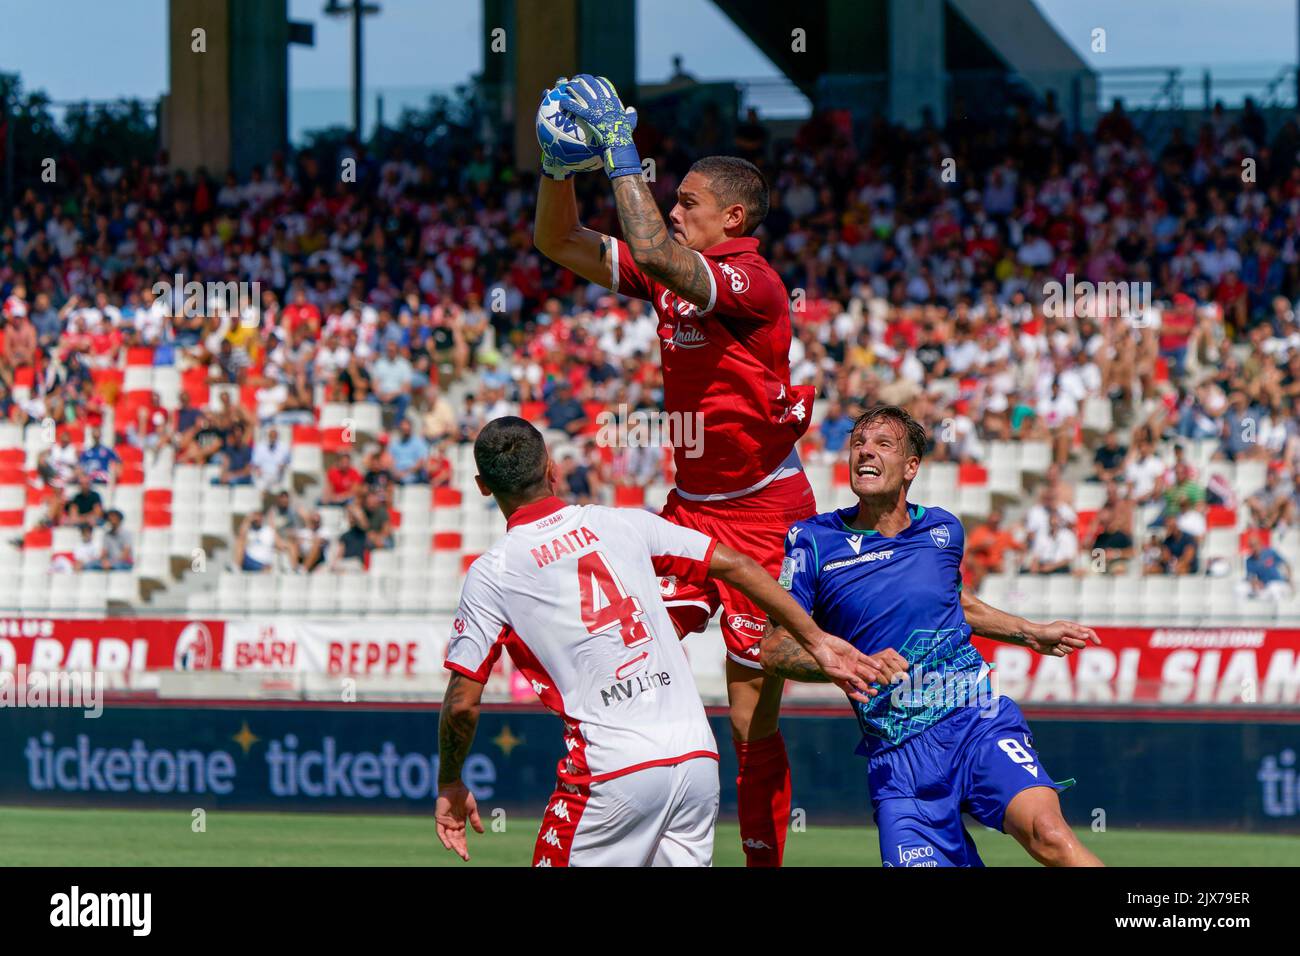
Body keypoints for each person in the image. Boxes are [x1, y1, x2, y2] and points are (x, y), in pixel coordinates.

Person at [535, 75, 818, 865]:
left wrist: (622, 153)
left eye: (687, 199)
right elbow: (558, 243)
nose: (673, 207)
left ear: (731, 217)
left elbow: (654, 245)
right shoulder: (671, 273)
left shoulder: (751, 282)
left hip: (767, 513)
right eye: (672, 196)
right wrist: (559, 171)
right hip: (690, 510)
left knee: (749, 720)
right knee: (624, 659)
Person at [435, 417, 900, 866]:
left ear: (482, 486)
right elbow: (737, 565)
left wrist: (450, 781)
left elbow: (461, 705)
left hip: (611, 769)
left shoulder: (490, 573)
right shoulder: (622, 523)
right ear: (552, 469)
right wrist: (816, 639)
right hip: (696, 761)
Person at [760, 405, 1103, 867]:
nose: (865, 451)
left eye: (883, 444)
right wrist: (850, 663)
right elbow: (774, 647)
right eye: (859, 443)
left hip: (976, 719)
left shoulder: (943, 529)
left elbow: (955, 602)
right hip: (898, 756)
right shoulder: (813, 540)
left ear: (910, 467)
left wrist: (1030, 632)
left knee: (1049, 834)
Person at [1239, 532, 1293, 600]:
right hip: (1265, 587)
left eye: (1255, 544)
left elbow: (1286, 564)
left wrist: (1289, 579)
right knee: (1241, 588)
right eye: (1251, 546)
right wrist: (1256, 583)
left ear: (1260, 543)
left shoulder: (1270, 552)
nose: (1254, 547)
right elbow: (1250, 577)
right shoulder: (1249, 560)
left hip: (1278, 583)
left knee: (1273, 589)